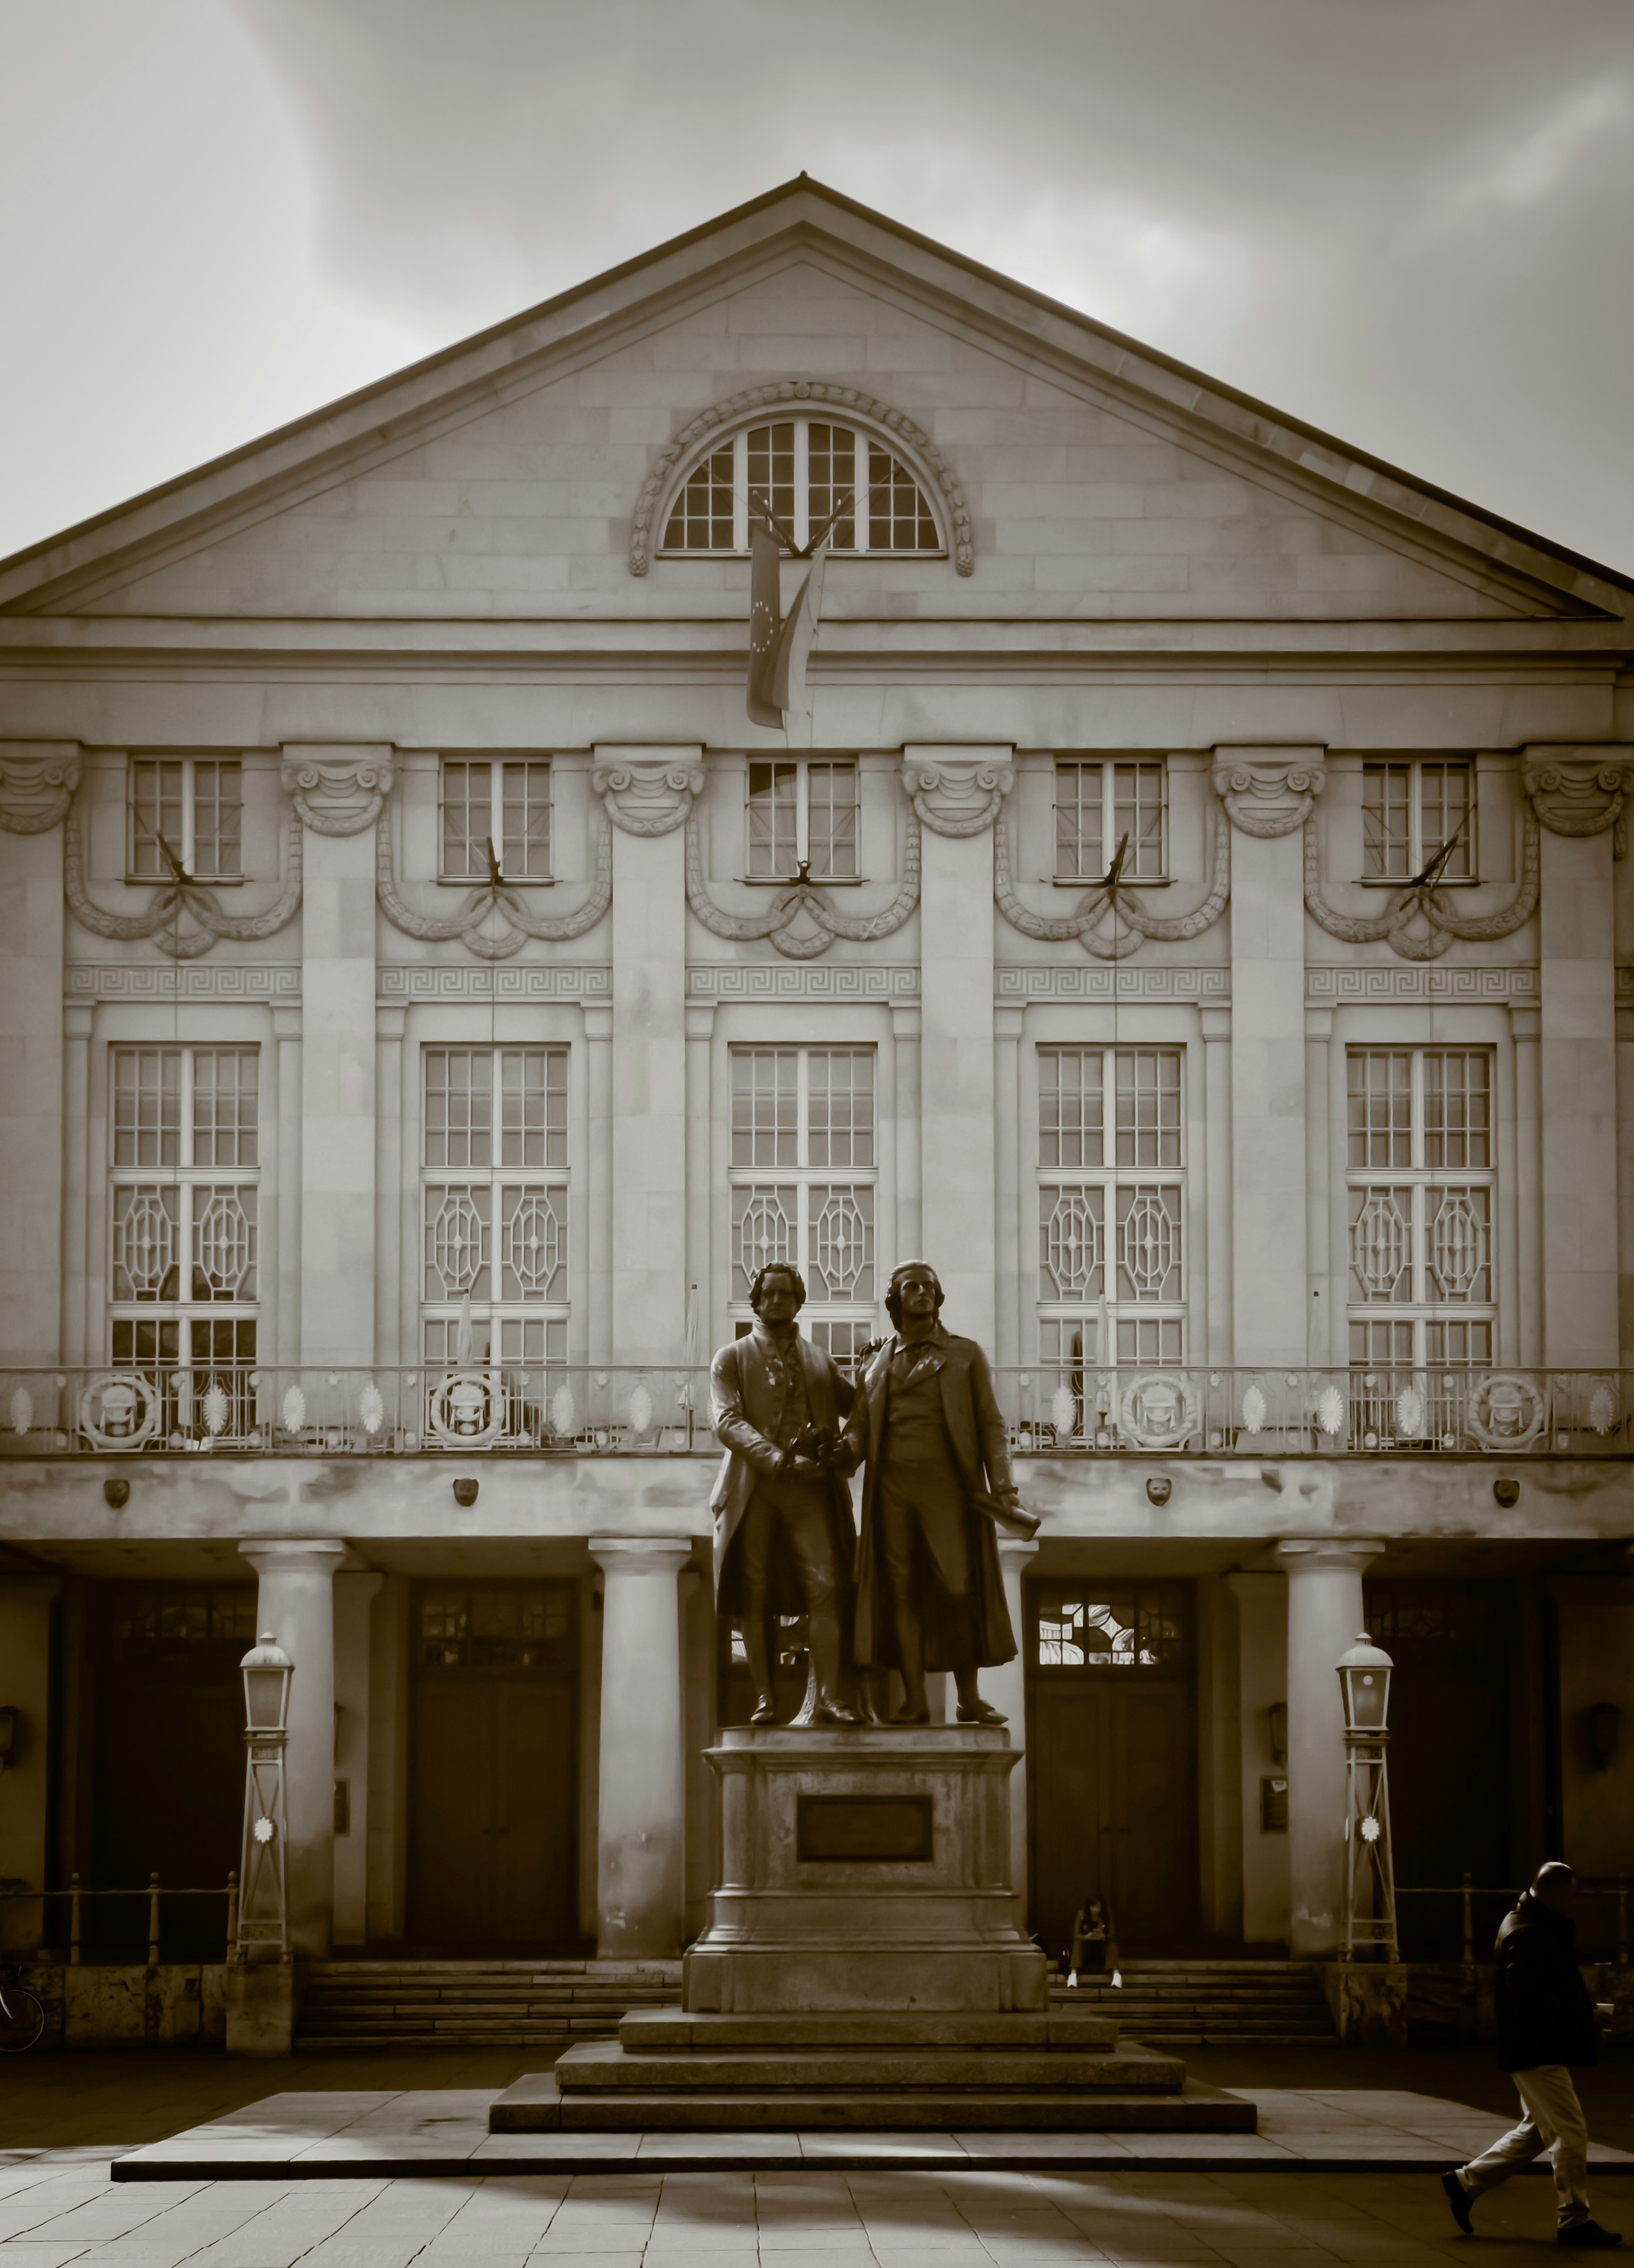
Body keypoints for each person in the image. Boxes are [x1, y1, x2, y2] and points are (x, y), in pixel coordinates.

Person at [839, 1259, 1022, 1725]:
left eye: (928, 1287)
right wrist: (841, 1453)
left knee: (958, 1587)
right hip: (891, 1489)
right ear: (895, 1300)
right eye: (911, 1287)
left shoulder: (964, 1354)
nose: (921, 1292)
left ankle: (968, 1697)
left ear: (937, 1298)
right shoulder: (875, 1364)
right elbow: (858, 1427)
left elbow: (990, 1424)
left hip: (946, 1487)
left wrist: (1003, 1486)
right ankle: (914, 1699)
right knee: (900, 1592)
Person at [710, 1262, 862, 1727]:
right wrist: (776, 1459)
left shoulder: (820, 1360)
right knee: (755, 1592)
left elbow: (861, 1408)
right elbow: (727, 1420)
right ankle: (766, 1699)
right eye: (768, 1294)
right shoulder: (731, 1357)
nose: (776, 1301)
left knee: (826, 1586)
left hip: (811, 1491)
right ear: (755, 1303)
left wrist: (875, 1373)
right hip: (755, 1489)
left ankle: (831, 1697)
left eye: (785, 1294)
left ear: (798, 1302)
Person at [1441, 1862, 1619, 2247]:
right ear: (1555, 1893)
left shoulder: (1524, 1924)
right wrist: (1586, 2017)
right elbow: (1534, 1998)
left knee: (1537, 2132)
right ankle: (1573, 2221)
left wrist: (1585, 2017)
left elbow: (1542, 1992)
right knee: (1571, 2132)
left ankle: (1466, 2183)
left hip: (1532, 2044)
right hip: (1537, 2048)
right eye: (1570, 1895)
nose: (1573, 1903)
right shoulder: (1530, 1933)